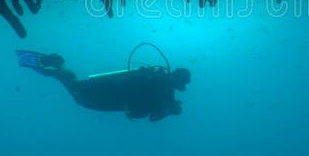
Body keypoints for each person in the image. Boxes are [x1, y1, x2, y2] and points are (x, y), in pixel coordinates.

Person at [16, 49, 191, 122]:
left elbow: (151, 115)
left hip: (102, 90)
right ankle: (56, 67)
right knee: (74, 87)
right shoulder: (165, 92)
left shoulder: (159, 80)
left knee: (73, 82)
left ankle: (57, 65)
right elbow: (152, 117)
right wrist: (170, 110)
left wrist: (169, 108)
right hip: (102, 99)